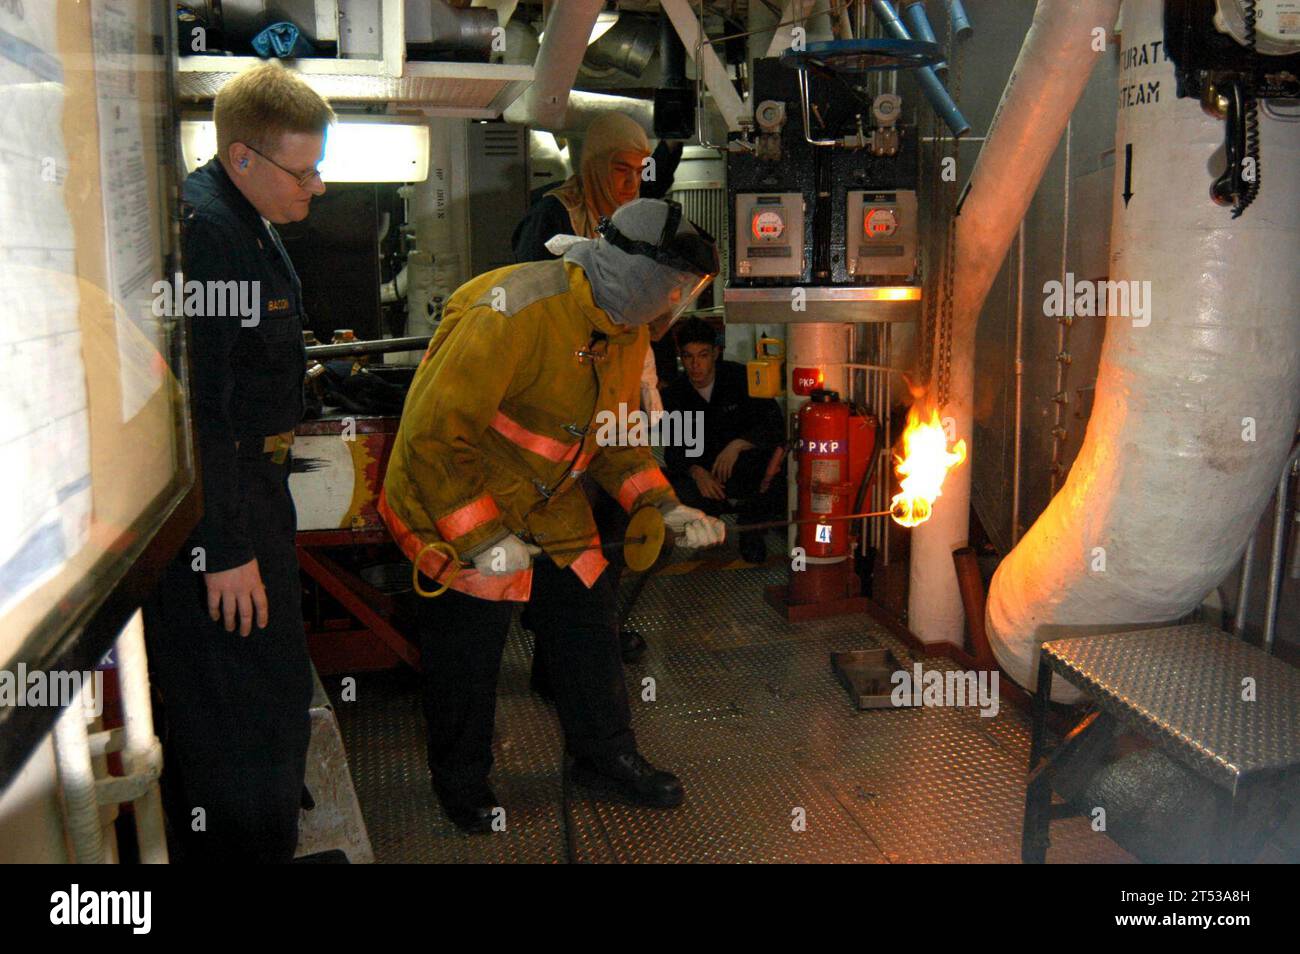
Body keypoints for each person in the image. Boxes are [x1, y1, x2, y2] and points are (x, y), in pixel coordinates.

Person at [380, 199, 725, 833]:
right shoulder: (511, 313)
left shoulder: (624, 329)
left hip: (547, 502)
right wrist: (484, 538)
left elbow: (615, 442)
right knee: (467, 654)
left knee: (588, 626)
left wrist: (664, 506)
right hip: (456, 502)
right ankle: (461, 781)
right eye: (674, 285)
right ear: (639, 277)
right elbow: (433, 438)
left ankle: (604, 757)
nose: (678, 300)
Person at [143, 62, 333, 863]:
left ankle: (268, 826)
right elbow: (194, 411)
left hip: (254, 490)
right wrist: (222, 548)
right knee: (238, 703)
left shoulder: (247, 220)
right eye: (303, 170)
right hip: (222, 513)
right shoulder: (208, 233)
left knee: (274, 688)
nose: (318, 185)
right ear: (242, 156)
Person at [512, 113, 682, 675]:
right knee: (569, 531)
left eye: (639, 171)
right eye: (620, 170)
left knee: (616, 523)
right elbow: (532, 303)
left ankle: (596, 634)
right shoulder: (554, 214)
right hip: (567, 397)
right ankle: (560, 657)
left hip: (620, 392)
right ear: (592, 166)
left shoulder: (631, 219)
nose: (631, 182)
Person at [661, 318, 788, 565]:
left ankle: (751, 526)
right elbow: (674, 452)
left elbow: (774, 425)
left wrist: (739, 444)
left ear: (715, 353)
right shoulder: (675, 395)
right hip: (707, 478)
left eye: (703, 355)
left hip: (747, 471)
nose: (696, 365)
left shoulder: (740, 378)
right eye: (688, 357)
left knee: (782, 476)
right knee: (670, 486)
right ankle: (706, 526)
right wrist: (695, 471)